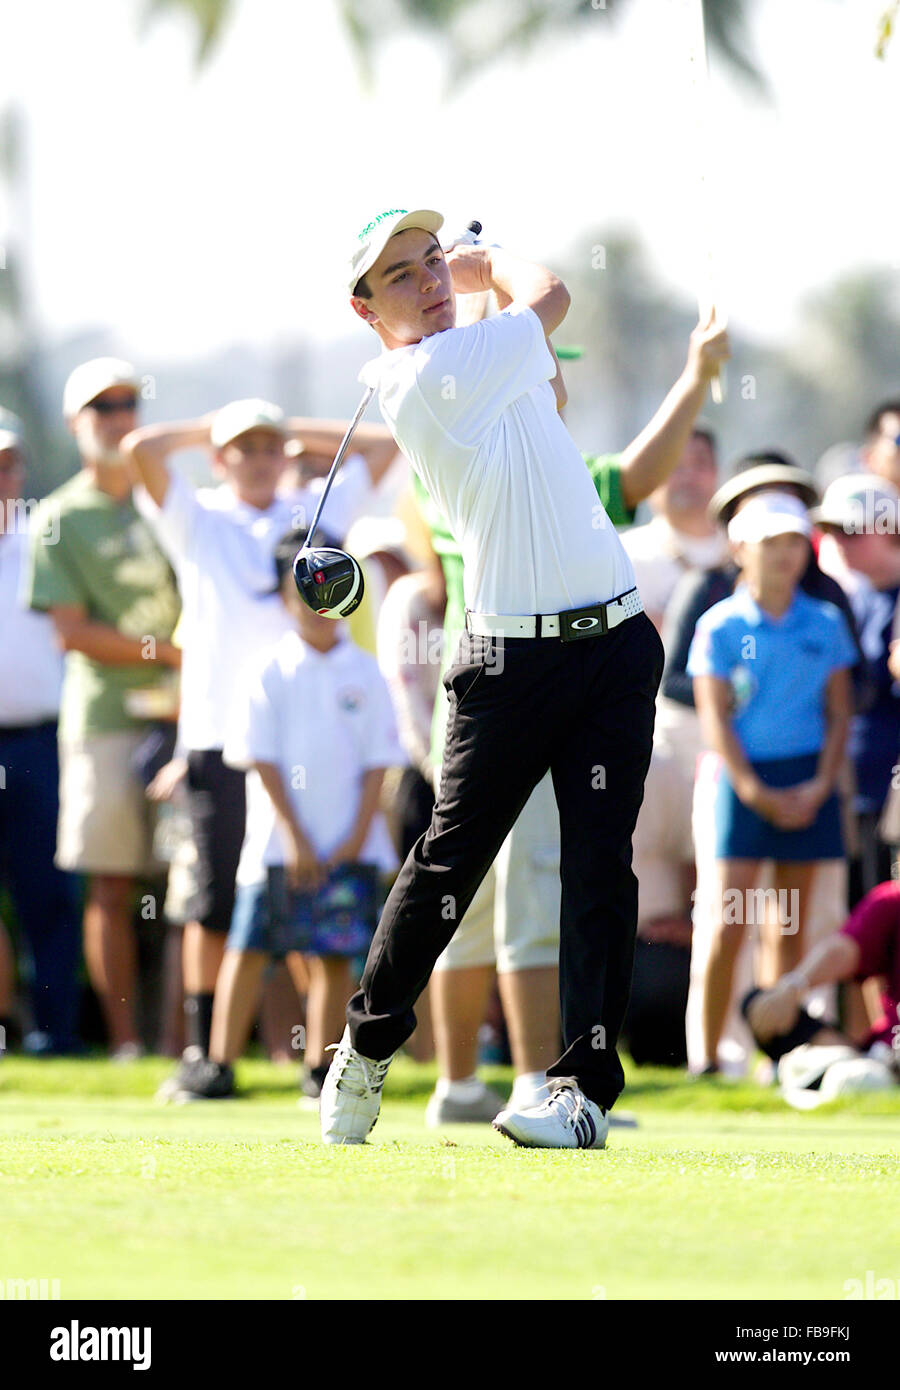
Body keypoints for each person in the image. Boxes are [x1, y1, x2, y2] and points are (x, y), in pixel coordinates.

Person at [318, 207, 664, 1148]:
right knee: (448, 866)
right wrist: (486, 262)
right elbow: (550, 292)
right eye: (402, 276)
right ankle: (368, 1043)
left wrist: (468, 287)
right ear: (367, 311)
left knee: (601, 869)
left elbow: (542, 375)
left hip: (618, 642)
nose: (428, 280)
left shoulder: (484, 354)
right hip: (510, 659)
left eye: (432, 262)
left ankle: (581, 1091)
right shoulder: (420, 376)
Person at [415, 318, 730, 1120]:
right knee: (515, 890)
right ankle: (527, 1077)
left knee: (477, 896)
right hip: (506, 694)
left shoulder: (538, 462)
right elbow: (631, 478)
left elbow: (635, 476)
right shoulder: (483, 455)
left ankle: (462, 1084)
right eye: (544, 365)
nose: (555, 380)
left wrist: (695, 378)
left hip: (490, 694)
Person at [122, 401, 398, 1096]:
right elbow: (141, 448)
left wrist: (288, 427)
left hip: (315, 747)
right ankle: (206, 1054)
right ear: (219, 460)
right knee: (219, 908)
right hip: (220, 739)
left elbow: (386, 444)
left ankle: (316, 1062)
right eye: (243, 450)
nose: (261, 458)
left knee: (316, 909)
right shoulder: (201, 519)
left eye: (270, 447)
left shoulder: (314, 508)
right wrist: (220, 422)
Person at [168, 527, 402, 1100]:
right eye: (303, 593)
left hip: (347, 847)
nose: (317, 607)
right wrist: (296, 837)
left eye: (329, 593)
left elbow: (378, 764)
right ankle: (216, 1065)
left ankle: (320, 1071)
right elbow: (262, 761)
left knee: (332, 956)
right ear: (283, 598)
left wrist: (354, 837)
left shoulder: (365, 672)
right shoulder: (268, 670)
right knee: (248, 949)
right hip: (276, 846)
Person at [25, 360, 182, 1057]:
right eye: (101, 408)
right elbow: (72, 632)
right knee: (112, 886)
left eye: (127, 403)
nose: (118, 417)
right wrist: (170, 653)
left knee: (189, 892)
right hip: (106, 722)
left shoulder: (167, 495)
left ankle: (187, 1046)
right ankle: (124, 1046)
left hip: (185, 718)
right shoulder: (59, 516)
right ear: (74, 424)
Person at [688, 492, 856, 1071]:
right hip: (743, 783)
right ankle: (706, 1063)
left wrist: (820, 785)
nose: (786, 554)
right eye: (770, 542)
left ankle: (776, 1057)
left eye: (794, 542)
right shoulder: (720, 624)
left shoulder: (826, 621)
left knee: (788, 928)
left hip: (807, 781)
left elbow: (839, 714)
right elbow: (715, 717)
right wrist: (753, 790)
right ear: (739, 549)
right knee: (728, 924)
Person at [0, 408, 81, 1054]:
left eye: (7, 463)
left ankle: (55, 1031)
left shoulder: (44, 535)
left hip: (41, 741)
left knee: (47, 892)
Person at [814, 474, 900, 902]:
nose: (840, 542)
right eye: (831, 531)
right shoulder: (852, 597)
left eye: (851, 529)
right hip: (855, 790)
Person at [741, 878, 900, 1107]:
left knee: (853, 1079)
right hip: (887, 1049)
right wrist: (793, 987)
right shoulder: (892, 898)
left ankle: (821, 1073)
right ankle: (843, 1062)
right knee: (759, 1005)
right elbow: (845, 949)